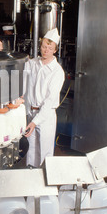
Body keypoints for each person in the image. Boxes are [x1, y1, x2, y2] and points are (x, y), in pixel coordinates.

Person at [22, 28, 65, 167]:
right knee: (31, 150)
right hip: (31, 112)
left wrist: (35, 122)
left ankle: (44, 186)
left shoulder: (57, 72)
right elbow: (18, 71)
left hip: (45, 116)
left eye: (50, 48)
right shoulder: (33, 63)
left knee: (44, 152)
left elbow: (49, 101)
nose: (46, 50)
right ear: (40, 46)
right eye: (44, 46)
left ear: (55, 50)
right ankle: (30, 180)